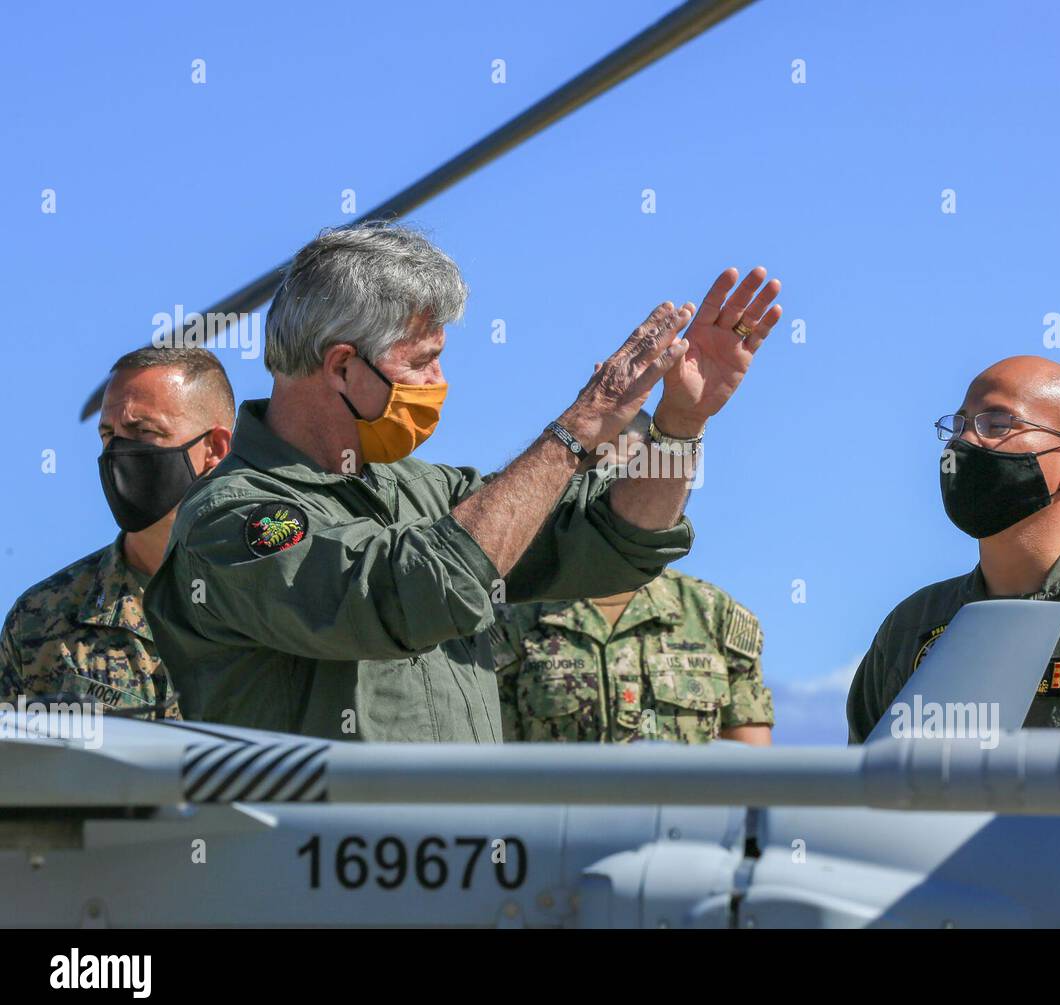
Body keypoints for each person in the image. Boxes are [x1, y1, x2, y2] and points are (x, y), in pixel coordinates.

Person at [144, 222, 782, 742]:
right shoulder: (236, 519)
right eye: (421, 361)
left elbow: (618, 540)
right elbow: (407, 593)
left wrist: (681, 423)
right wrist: (580, 427)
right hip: (323, 887)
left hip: (463, 880)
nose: (438, 380)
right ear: (342, 366)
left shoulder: (427, 493)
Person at [845, 354, 1060, 896]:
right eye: (958, 424)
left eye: (994, 423)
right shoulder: (911, 627)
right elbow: (856, 803)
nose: (963, 444)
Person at [491, 413, 774, 745]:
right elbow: (491, 763)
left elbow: (753, 770)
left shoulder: (714, 617)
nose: (612, 498)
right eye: (594, 478)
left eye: (630, 479)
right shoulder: (509, 620)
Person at [0, 347, 235, 717]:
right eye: (108, 435)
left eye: (143, 431)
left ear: (215, 448)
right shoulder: (41, 617)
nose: (118, 452)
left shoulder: (274, 597)